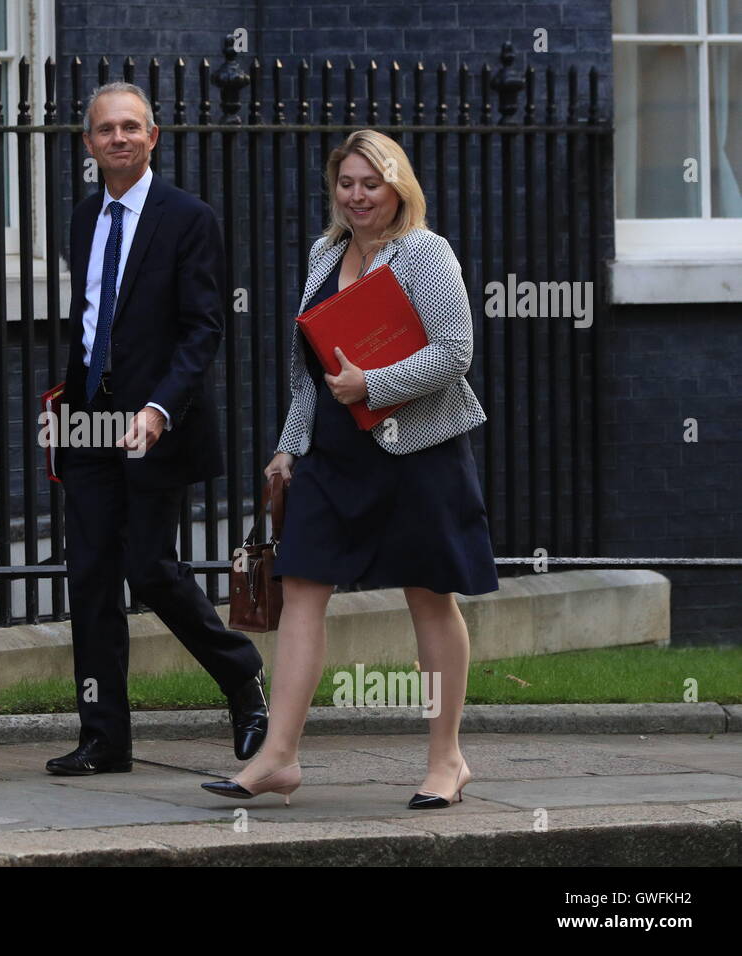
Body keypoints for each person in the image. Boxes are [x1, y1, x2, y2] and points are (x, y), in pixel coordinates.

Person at [202, 129, 498, 808]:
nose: (358, 196)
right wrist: (288, 445)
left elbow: (456, 352)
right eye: (347, 183)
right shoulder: (324, 253)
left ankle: (447, 760)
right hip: (333, 450)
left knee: (429, 594)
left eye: (372, 182)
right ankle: (278, 757)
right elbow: (310, 369)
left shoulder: (425, 253)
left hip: (416, 450)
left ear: (399, 187)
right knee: (301, 586)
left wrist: (376, 384)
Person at [46, 81, 269, 775]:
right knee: (89, 577)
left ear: (153, 138)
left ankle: (242, 679)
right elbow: (92, 321)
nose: (119, 138)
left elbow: (203, 330)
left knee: (149, 567)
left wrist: (156, 409)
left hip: (156, 424)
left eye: (131, 127)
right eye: (106, 129)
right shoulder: (83, 218)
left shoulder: (188, 218)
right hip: (88, 424)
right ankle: (104, 736)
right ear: (88, 143)